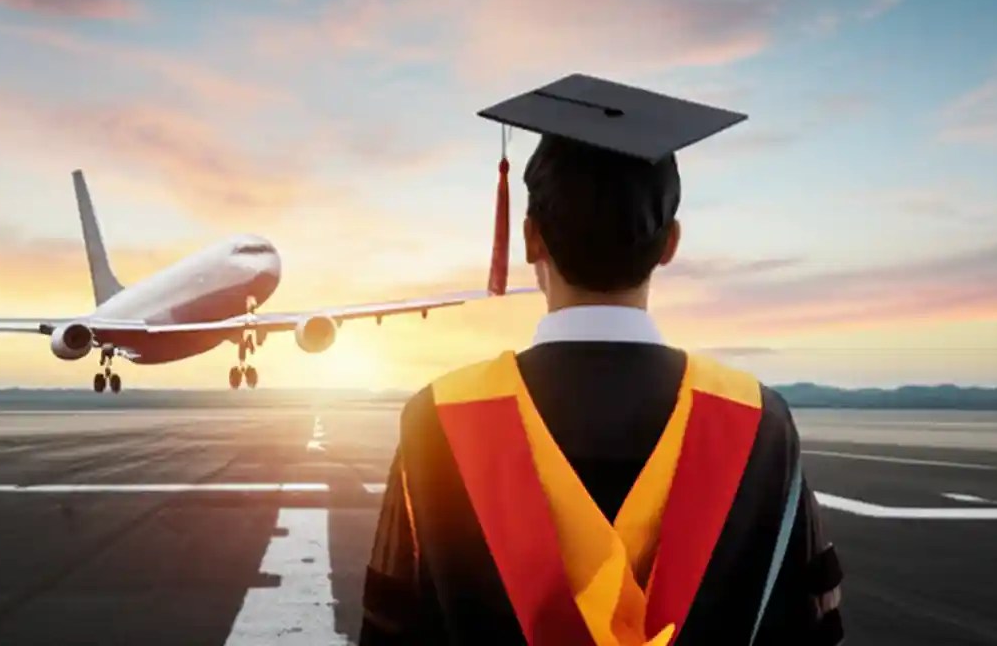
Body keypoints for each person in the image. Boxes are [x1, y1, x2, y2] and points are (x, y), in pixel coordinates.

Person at [358, 74, 843, 646]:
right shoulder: (758, 422)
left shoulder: (439, 420)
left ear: (531, 240)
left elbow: (392, 632)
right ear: (670, 246)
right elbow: (813, 630)